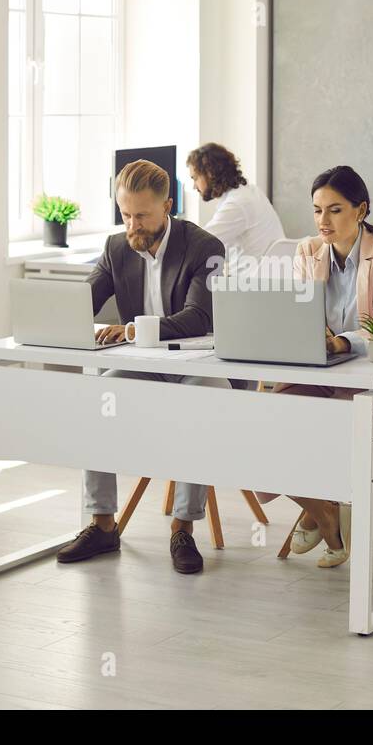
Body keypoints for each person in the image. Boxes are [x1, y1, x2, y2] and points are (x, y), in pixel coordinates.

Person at [56, 160, 227, 575]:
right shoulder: (116, 248)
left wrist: (131, 330)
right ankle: (102, 524)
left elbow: (199, 317)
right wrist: (57, 316)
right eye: (126, 214)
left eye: (143, 215)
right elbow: (83, 303)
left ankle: (182, 528)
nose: (133, 223)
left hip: (198, 361)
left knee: (201, 400)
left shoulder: (206, 247)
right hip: (143, 366)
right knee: (99, 400)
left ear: (168, 205)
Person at [256, 165, 373, 569]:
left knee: (313, 426)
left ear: (360, 209)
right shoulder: (307, 252)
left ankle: (323, 511)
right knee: (258, 426)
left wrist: (342, 341)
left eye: (334, 210)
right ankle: (327, 512)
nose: (322, 222)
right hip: (320, 376)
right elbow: (300, 320)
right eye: (317, 211)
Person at [186, 142, 286, 260]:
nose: (194, 186)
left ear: (210, 172)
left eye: (195, 178)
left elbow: (198, 244)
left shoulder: (237, 203)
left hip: (252, 276)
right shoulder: (251, 192)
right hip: (270, 272)